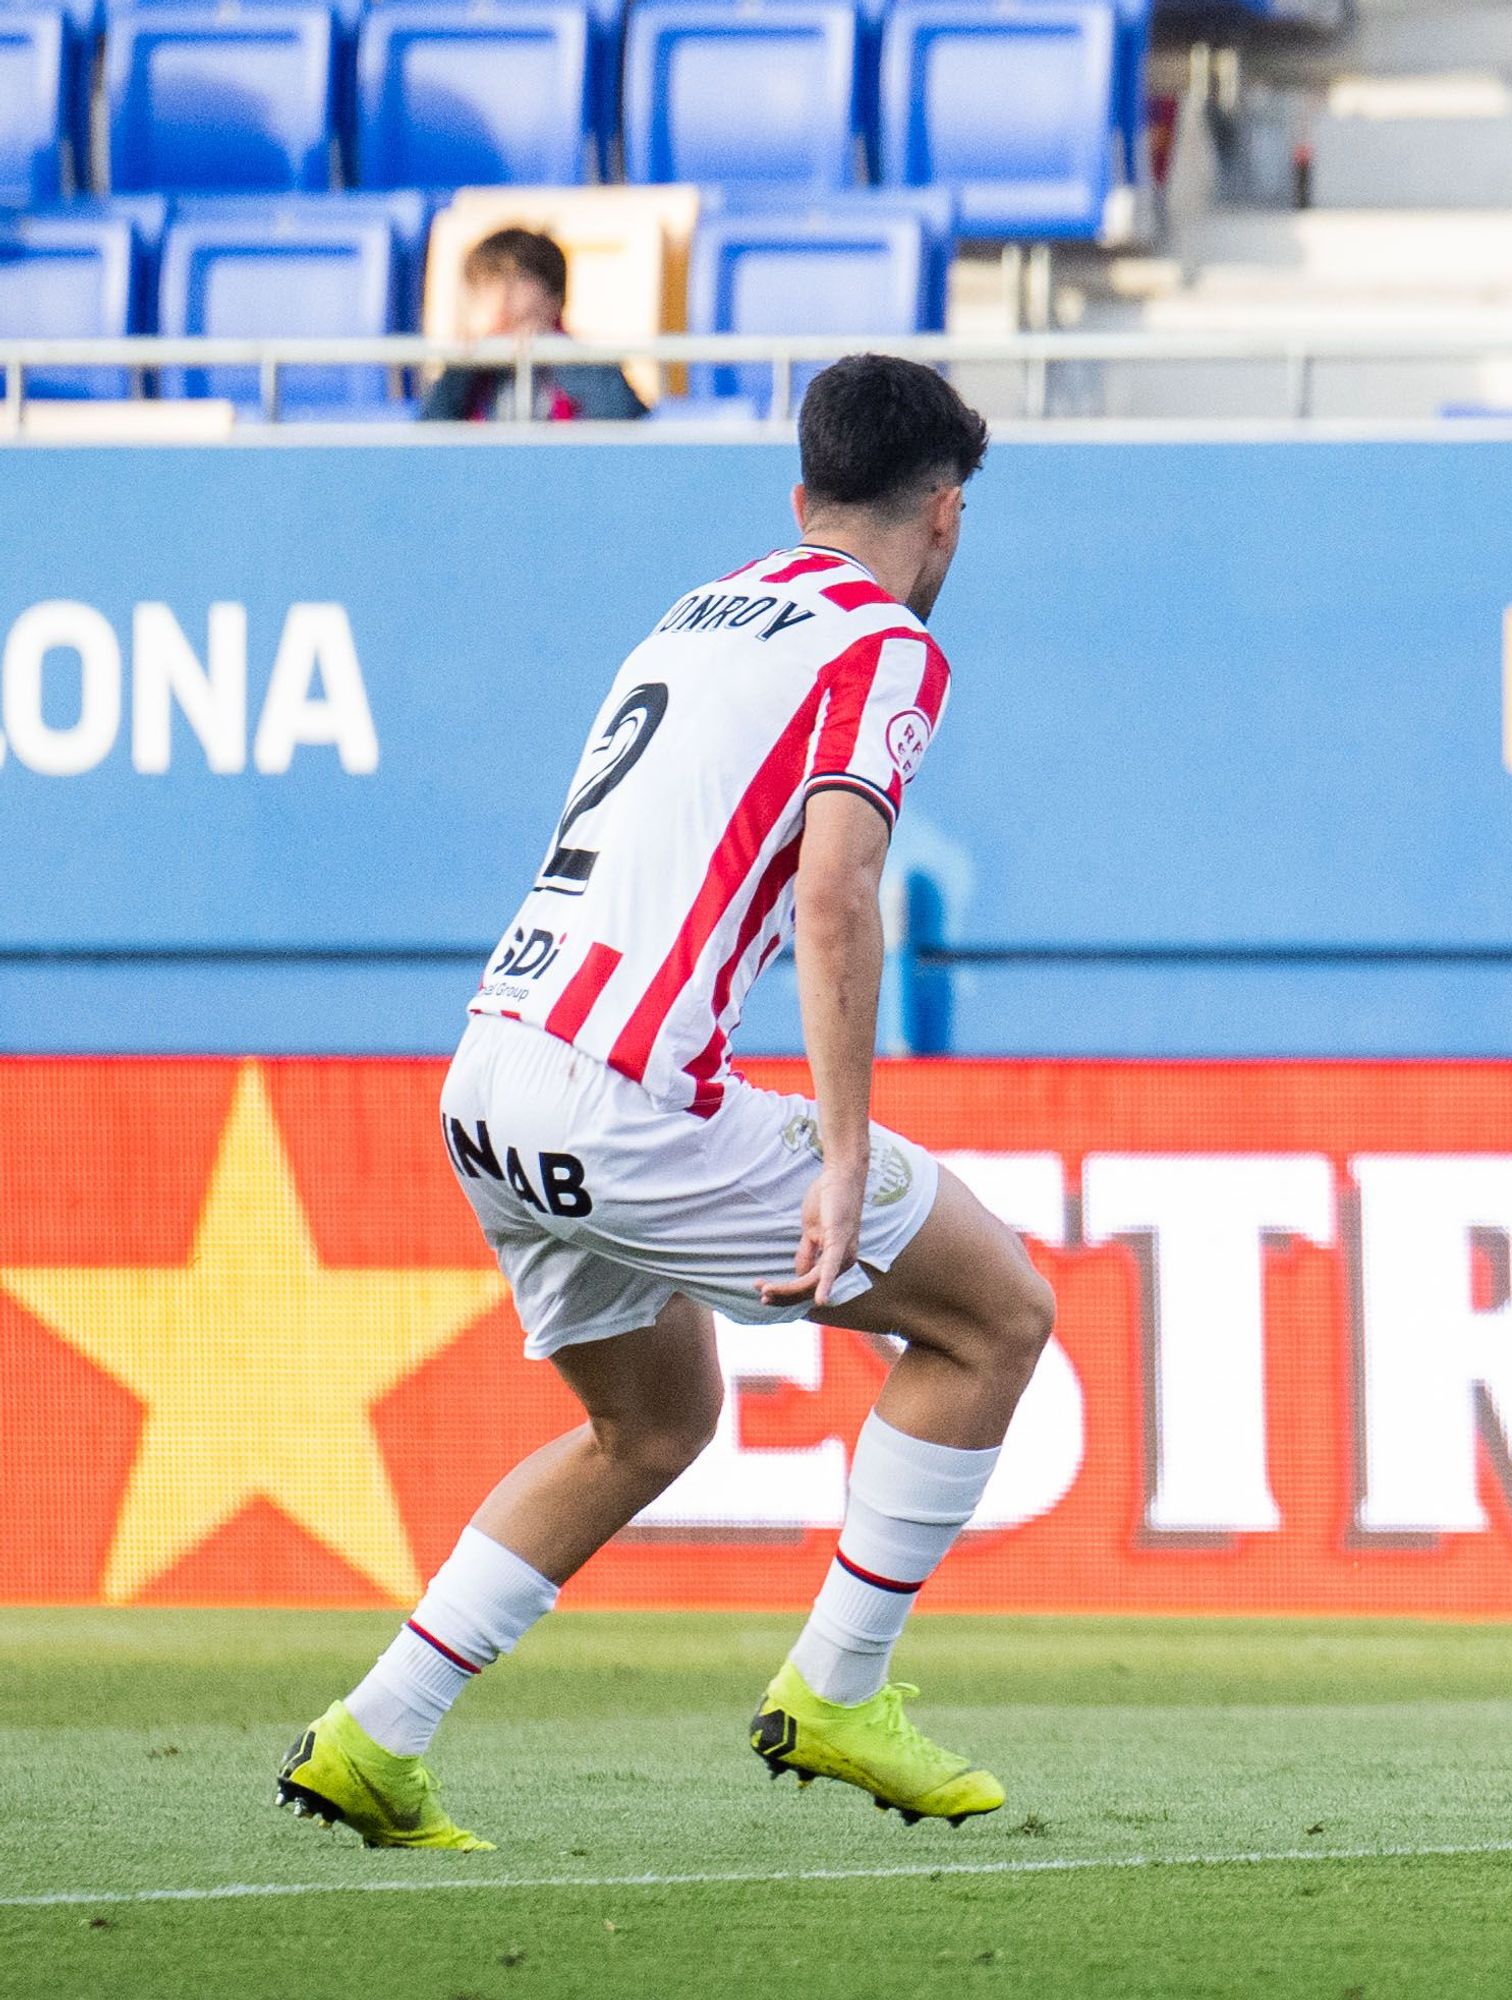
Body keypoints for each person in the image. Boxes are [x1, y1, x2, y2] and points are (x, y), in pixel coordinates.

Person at [276, 356, 1053, 1849]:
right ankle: (840, 1684)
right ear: (946, 516)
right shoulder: (881, 642)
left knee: (653, 1423)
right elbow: (837, 897)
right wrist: (839, 1157)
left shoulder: (696, 612)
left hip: (495, 1069)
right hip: (629, 1098)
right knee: (997, 1312)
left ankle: (376, 1734)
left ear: (799, 497)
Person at [418, 228, 647, 424]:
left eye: (518, 280)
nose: (501, 297)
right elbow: (430, 439)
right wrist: (462, 368)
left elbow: (621, 424)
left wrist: (557, 353)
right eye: (488, 284)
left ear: (554, 297)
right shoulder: (469, 373)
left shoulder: (590, 366)